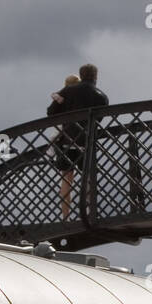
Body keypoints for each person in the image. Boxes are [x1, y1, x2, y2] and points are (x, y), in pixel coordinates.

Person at [47, 64, 109, 220]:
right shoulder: (101, 96)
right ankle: (89, 213)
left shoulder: (68, 91)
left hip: (66, 139)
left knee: (66, 178)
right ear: (95, 76)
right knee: (88, 178)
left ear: (82, 74)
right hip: (86, 141)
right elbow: (99, 119)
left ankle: (65, 216)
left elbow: (51, 112)